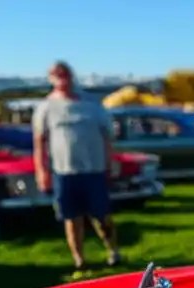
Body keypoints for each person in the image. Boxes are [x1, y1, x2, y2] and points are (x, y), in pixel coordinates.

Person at [33, 61, 120, 276]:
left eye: (65, 74)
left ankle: (113, 251)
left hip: (94, 169)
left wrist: (110, 163)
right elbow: (39, 141)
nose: (62, 79)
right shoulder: (45, 107)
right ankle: (79, 260)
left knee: (102, 215)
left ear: (72, 76)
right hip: (64, 171)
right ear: (51, 79)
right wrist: (41, 171)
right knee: (72, 218)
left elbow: (106, 136)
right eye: (57, 75)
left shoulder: (91, 104)